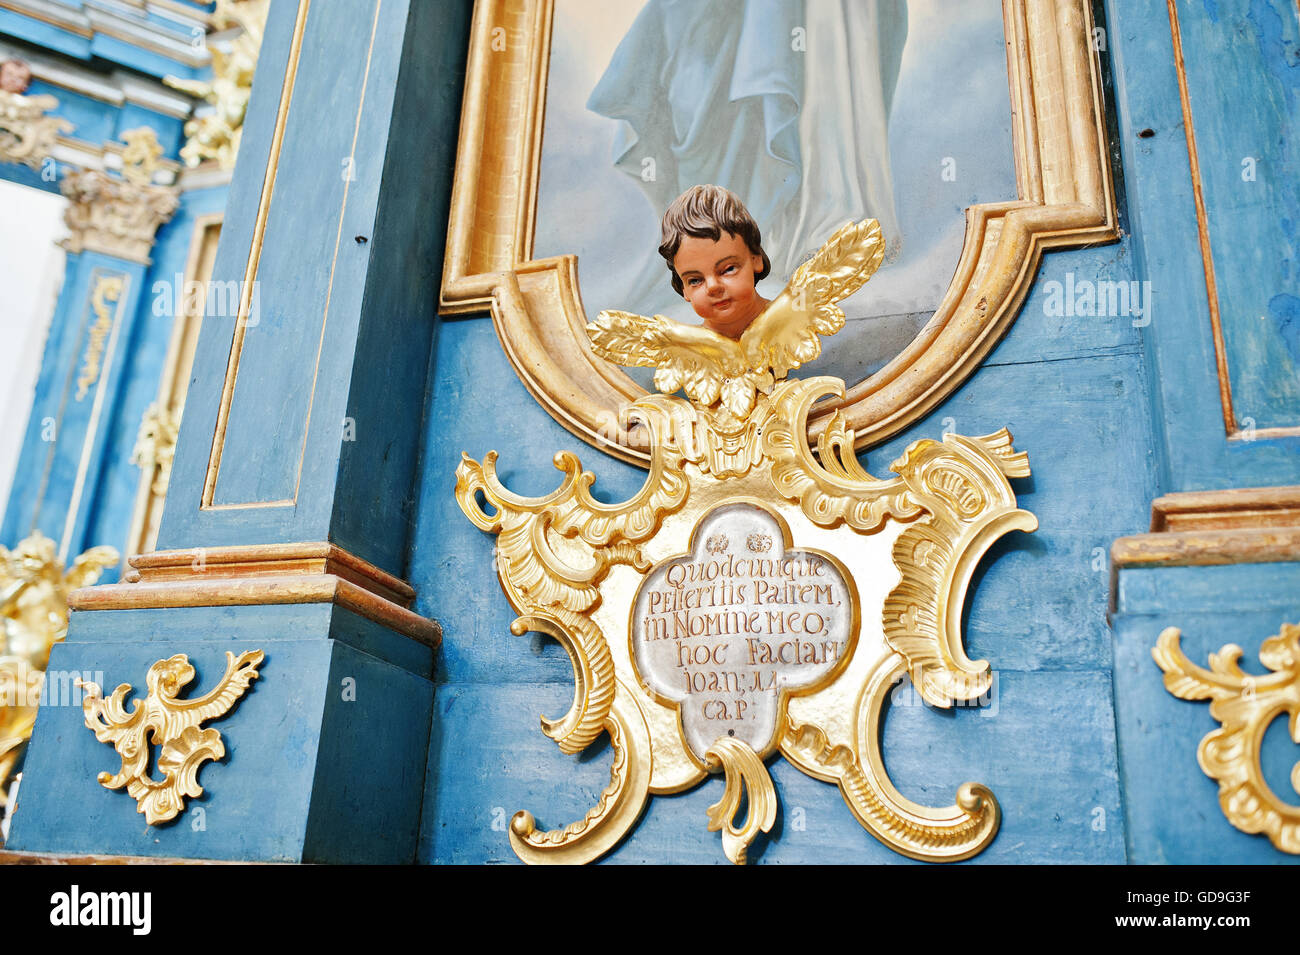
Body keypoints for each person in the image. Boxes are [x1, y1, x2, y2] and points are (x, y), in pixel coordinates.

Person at [658, 185, 771, 340]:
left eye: (728, 269)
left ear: (755, 258)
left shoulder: (795, 318)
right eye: (695, 280)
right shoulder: (692, 352)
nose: (713, 287)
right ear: (684, 288)